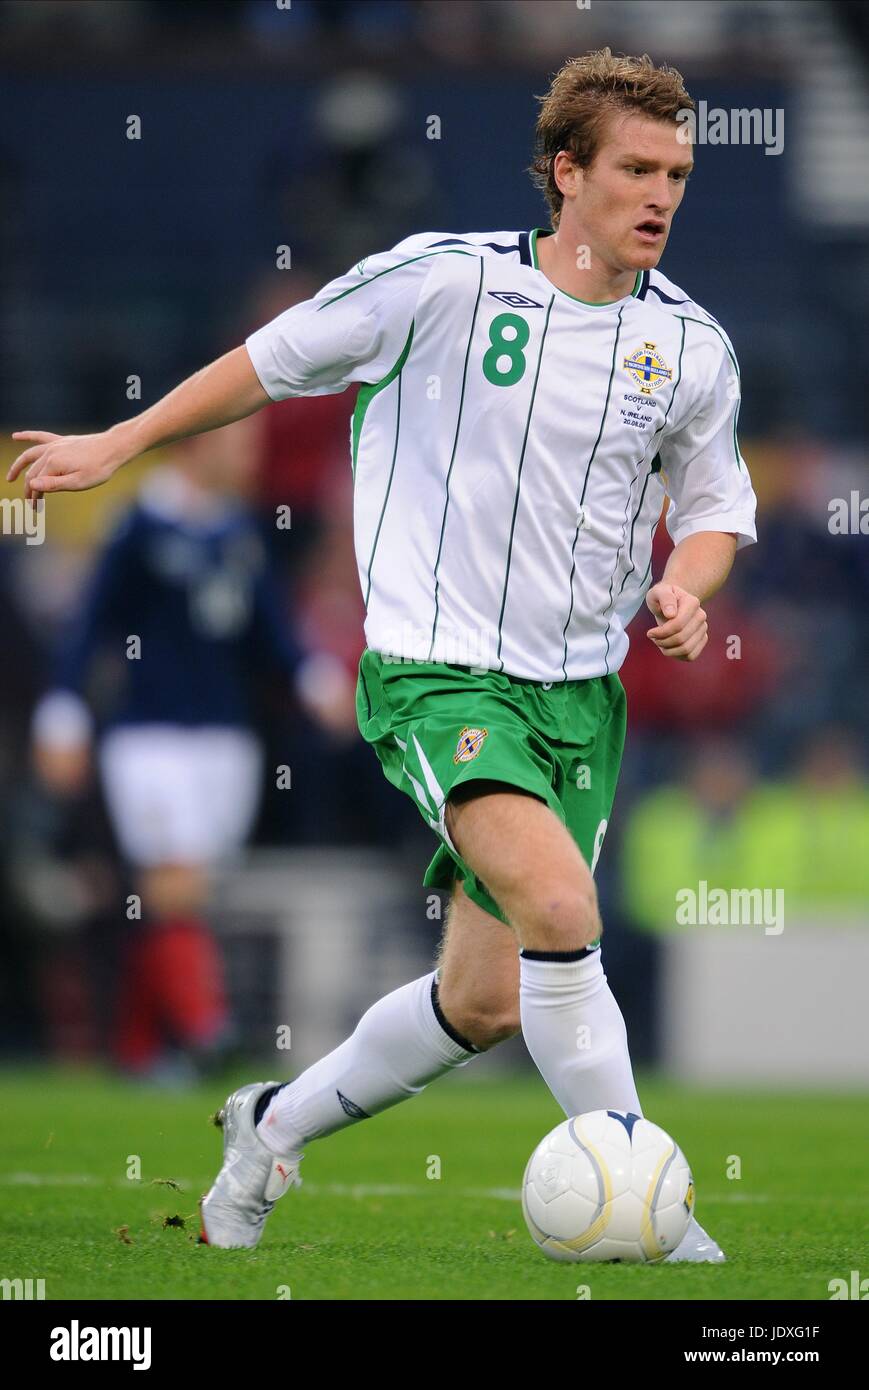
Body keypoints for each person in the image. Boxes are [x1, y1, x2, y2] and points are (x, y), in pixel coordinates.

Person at [9, 49, 757, 1260]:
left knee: (483, 999)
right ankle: (651, 1210)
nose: (658, 193)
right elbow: (270, 361)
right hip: (437, 673)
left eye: (674, 171)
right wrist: (124, 441)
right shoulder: (439, 285)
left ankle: (267, 1126)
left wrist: (685, 578)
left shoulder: (691, 350)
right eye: (632, 168)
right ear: (565, 174)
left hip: (581, 697)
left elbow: (718, 508)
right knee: (565, 905)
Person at [31, 418, 355, 1080]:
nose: (247, 457)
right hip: (149, 735)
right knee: (171, 880)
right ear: (194, 445)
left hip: (224, 737)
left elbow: (269, 627)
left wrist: (314, 679)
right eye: (235, 444)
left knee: (182, 894)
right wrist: (62, 714)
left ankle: (142, 1050)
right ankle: (210, 1028)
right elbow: (91, 624)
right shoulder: (140, 525)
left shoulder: (238, 532)